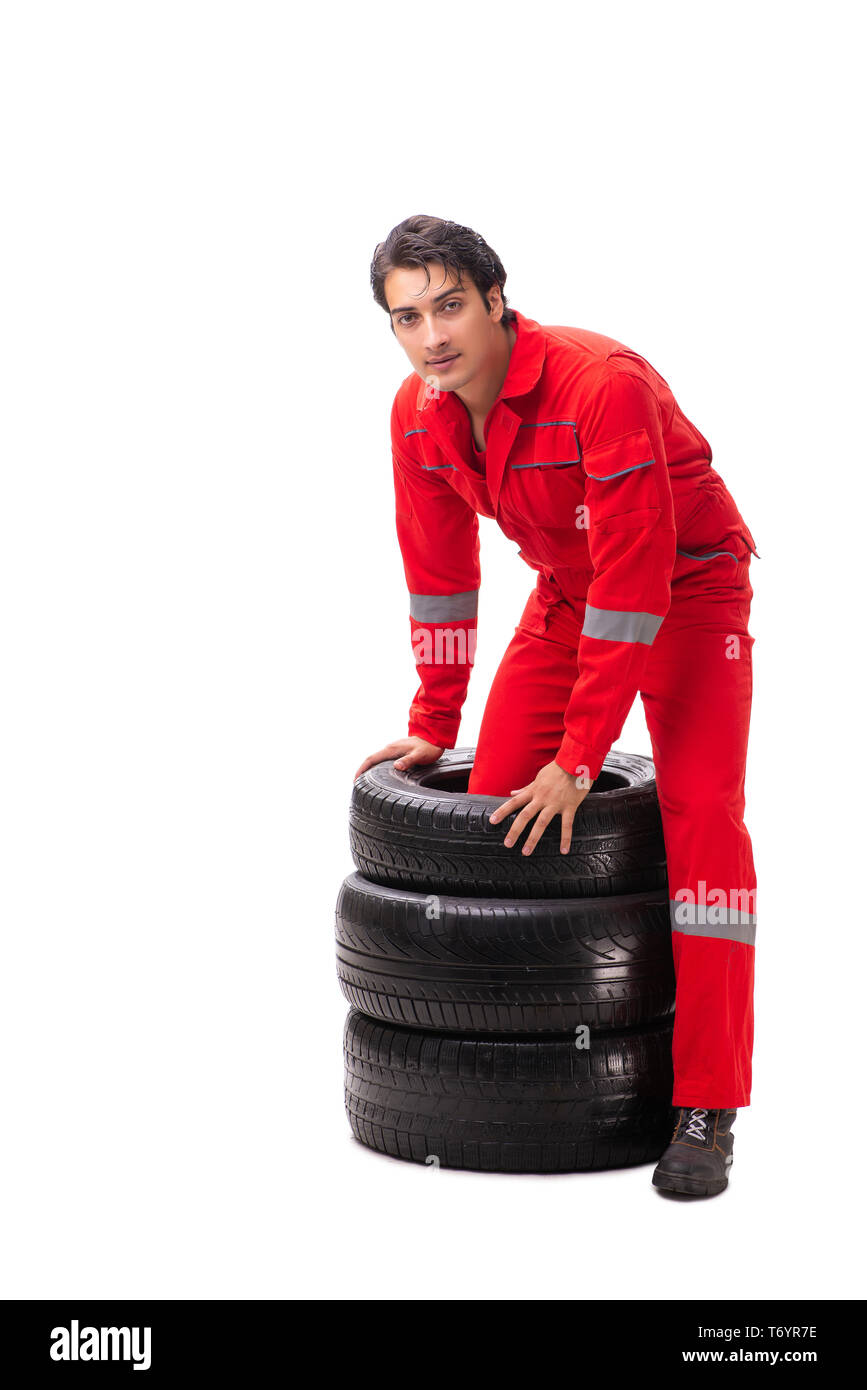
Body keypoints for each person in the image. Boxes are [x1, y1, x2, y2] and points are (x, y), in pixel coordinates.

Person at [355, 214, 759, 1199]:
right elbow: (440, 573)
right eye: (408, 318)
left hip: (691, 591)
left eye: (450, 306)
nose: (432, 336)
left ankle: (707, 1100)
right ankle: (532, 1062)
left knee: (701, 823)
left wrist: (582, 754)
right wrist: (436, 717)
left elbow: (638, 577)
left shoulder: (598, 385)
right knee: (500, 818)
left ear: (497, 300)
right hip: (573, 597)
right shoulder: (419, 413)